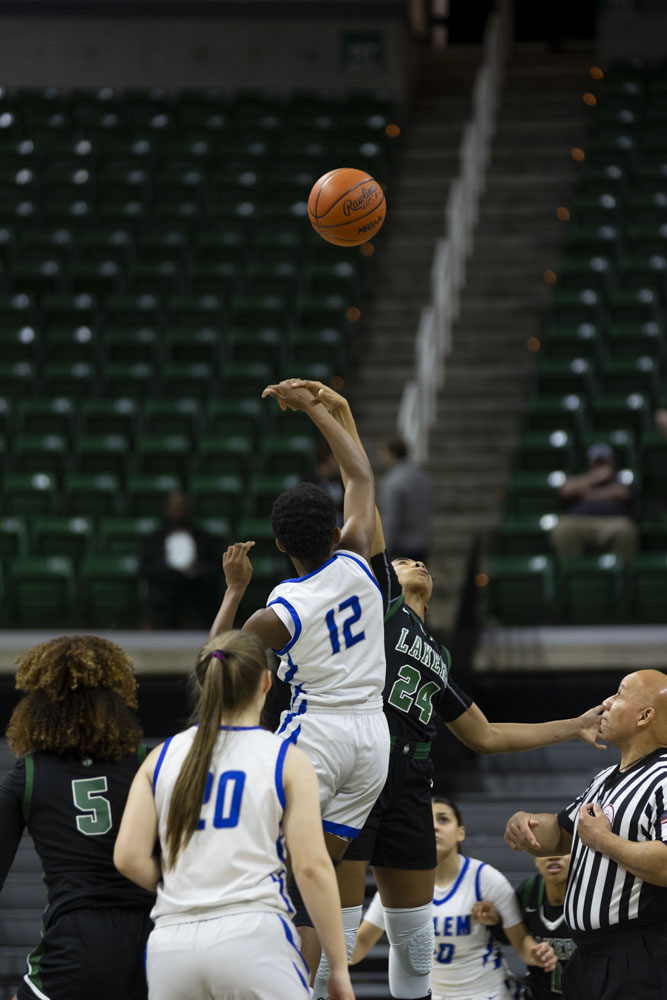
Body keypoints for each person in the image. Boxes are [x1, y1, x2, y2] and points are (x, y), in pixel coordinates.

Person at [281, 380, 606, 1000]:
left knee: (414, 945)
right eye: (402, 562)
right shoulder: (371, 601)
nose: (414, 564)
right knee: (335, 937)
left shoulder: (437, 652)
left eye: (414, 562)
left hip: (411, 786)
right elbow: (363, 492)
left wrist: (573, 726)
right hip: (360, 769)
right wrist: (341, 411)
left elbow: (483, 734)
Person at [209, 379, 390, 979]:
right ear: (334, 534)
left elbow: (214, 663)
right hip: (373, 740)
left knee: (272, 872)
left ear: (280, 543)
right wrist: (317, 408)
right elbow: (361, 477)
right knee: (315, 877)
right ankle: (311, 988)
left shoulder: (277, 610)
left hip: (315, 738)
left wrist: (234, 590)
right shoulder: (359, 561)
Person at [114, 630, 355, 1000]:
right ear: (266, 681)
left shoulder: (160, 757)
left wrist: (187, 886)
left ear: (204, 682)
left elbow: (128, 857)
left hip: (171, 945)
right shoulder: (285, 757)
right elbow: (310, 867)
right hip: (252, 934)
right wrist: (338, 967)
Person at [0, 635, 154, 1000]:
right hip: (152, 940)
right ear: (116, 696)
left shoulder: (29, 774)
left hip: (75, 936)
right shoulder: (148, 762)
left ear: (41, 703)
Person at [504, 669, 667, 1000]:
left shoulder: (664, 778)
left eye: (619, 695)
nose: (605, 703)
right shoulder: (606, 777)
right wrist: (528, 823)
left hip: (639, 955)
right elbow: (561, 834)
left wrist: (605, 841)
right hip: (588, 955)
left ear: (644, 716)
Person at [350, 798, 557, 1000]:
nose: (434, 827)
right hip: (433, 993)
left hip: (487, 991)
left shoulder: (486, 878)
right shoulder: (398, 884)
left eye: (443, 819)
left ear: (461, 833)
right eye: (426, 820)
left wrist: (536, 953)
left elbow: (521, 943)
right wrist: (328, 956)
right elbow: (359, 945)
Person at [487, 855, 575, 999]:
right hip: (538, 993)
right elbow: (513, 939)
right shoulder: (529, 890)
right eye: (545, 851)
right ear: (535, 860)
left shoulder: (591, 895)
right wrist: (495, 922)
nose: (553, 856)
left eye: (563, 850)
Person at [139, 491, 221, 629]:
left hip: (198, 582)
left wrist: (196, 569)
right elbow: (145, 567)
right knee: (172, 584)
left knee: (207, 586)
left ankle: (212, 633)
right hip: (167, 583)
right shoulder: (154, 539)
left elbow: (216, 564)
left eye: (182, 508)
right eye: (175, 508)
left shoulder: (204, 538)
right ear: (167, 509)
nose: (179, 512)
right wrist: (172, 571)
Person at [550, 442, 638, 562]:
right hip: (579, 523)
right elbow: (565, 491)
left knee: (626, 529)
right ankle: (574, 576)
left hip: (613, 524)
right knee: (562, 528)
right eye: (597, 462)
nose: (601, 466)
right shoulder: (582, 478)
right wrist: (595, 477)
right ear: (589, 463)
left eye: (604, 461)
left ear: (612, 462)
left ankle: (621, 577)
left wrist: (589, 494)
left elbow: (623, 493)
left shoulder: (621, 479)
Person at [379, 434, 433, 565]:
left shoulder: (392, 481)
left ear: (391, 453)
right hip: (422, 542)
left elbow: (391, 518)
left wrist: (384, 549)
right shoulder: (423, 476)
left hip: (401, 547)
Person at [303, 439, 345, 527]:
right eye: (336, 457)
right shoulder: (308, 481)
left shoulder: (339, 481)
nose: (339, 462)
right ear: (327, 457)